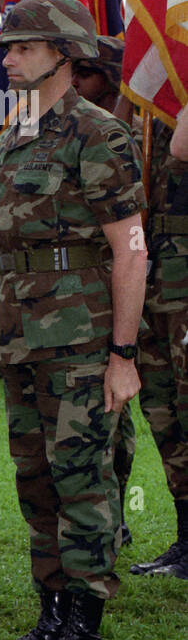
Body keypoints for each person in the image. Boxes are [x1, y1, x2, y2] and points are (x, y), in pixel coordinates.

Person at [0, 0, 146, 640]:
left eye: (22, 46)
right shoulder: (12, 134)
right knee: (35, 478)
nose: (9, 56)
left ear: (62, 53)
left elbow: (130, 248)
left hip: (80, 340)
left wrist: (124, 355)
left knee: (83, 481)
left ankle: (85, 631)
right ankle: (49, 616)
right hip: (20, 339)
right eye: (8, 46)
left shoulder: (96, 133)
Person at [73, 37, 139, 544]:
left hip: (136, 282)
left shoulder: (120, 133)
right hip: (89, 293)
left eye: (89, 73)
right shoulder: (70, 132)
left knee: (120, 409)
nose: (78, 82)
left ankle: (112, 512)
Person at [125, 63, 188, 580]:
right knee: (163, 407)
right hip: (160, 275)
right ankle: (186, 539)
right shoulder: (150, 116)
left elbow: (183, 150)